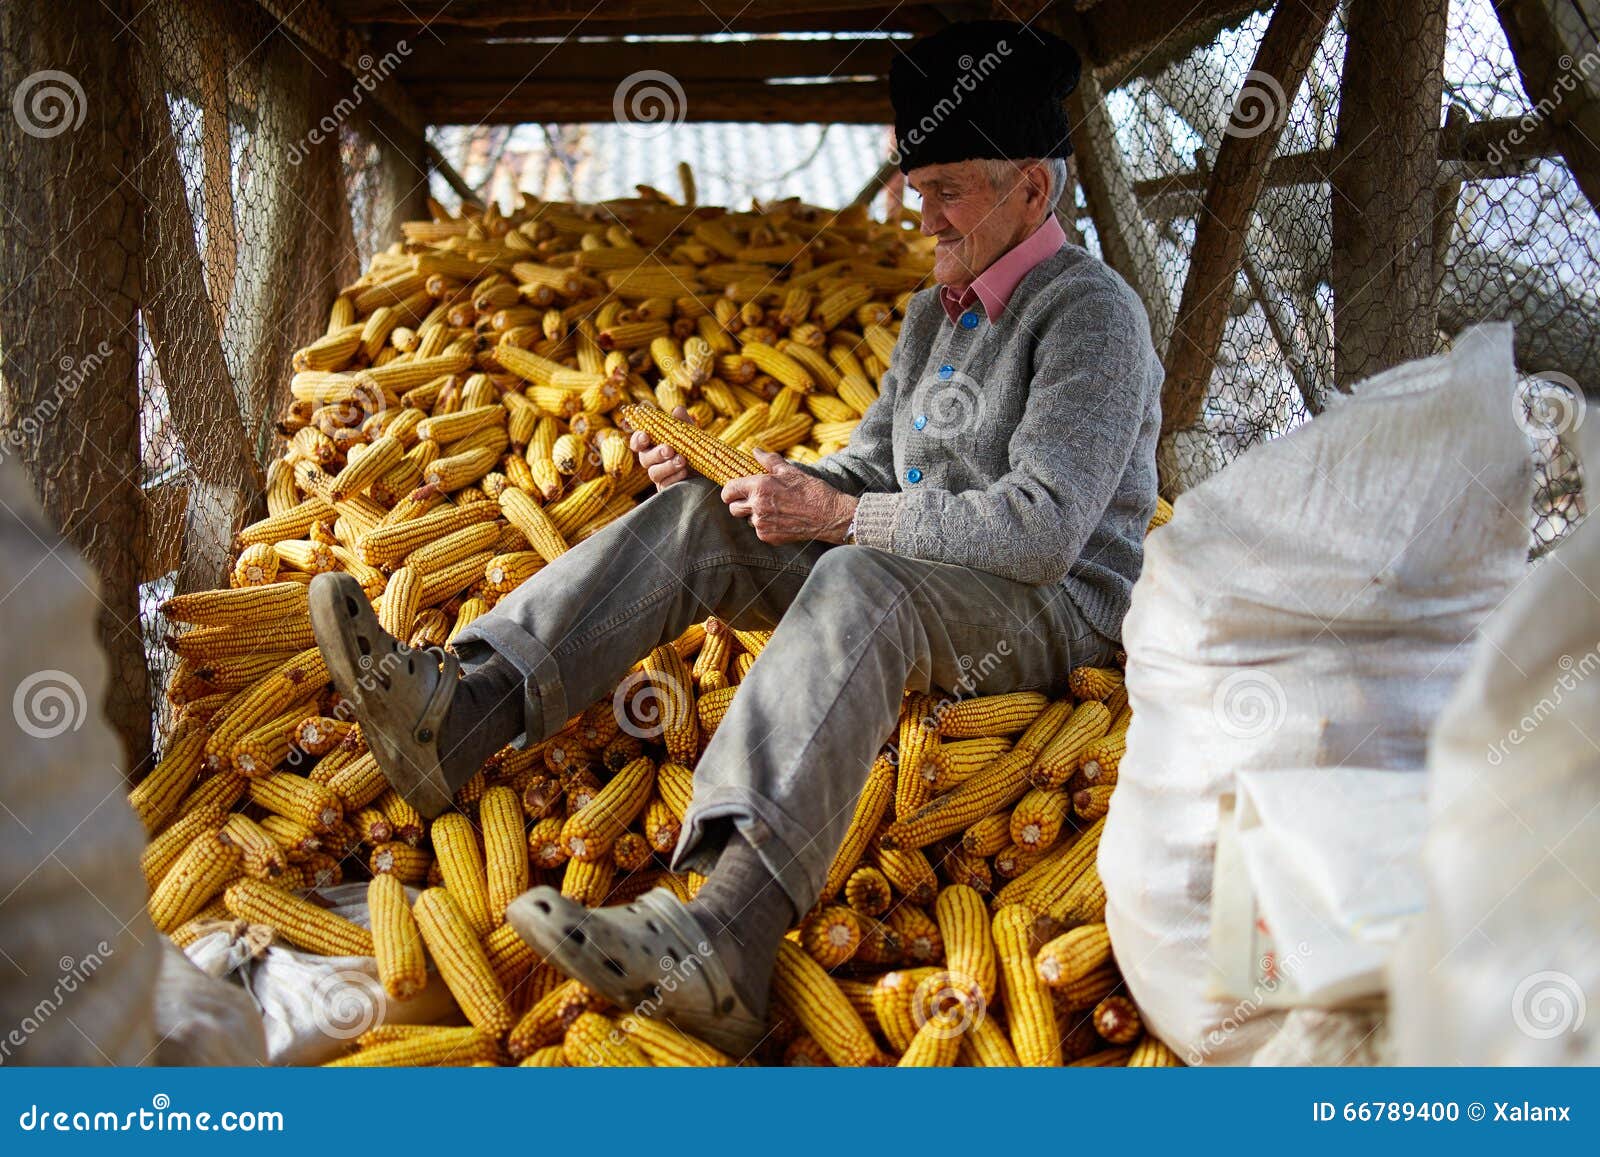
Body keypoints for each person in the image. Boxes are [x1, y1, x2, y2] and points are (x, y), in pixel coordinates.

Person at [308, 19, 1162, 1056]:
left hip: (1047, 607)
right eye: (913, 180)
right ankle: (461, 710)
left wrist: (844, 518)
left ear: (1033, 190)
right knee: (695, 520)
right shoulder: (939, 314)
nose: (917, 208)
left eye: (947, 186)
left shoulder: (1090, 316)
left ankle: (725, 929)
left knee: (858, 580)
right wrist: (754, 481)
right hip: (928, 566)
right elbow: (872, 468)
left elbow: (1042, 531)